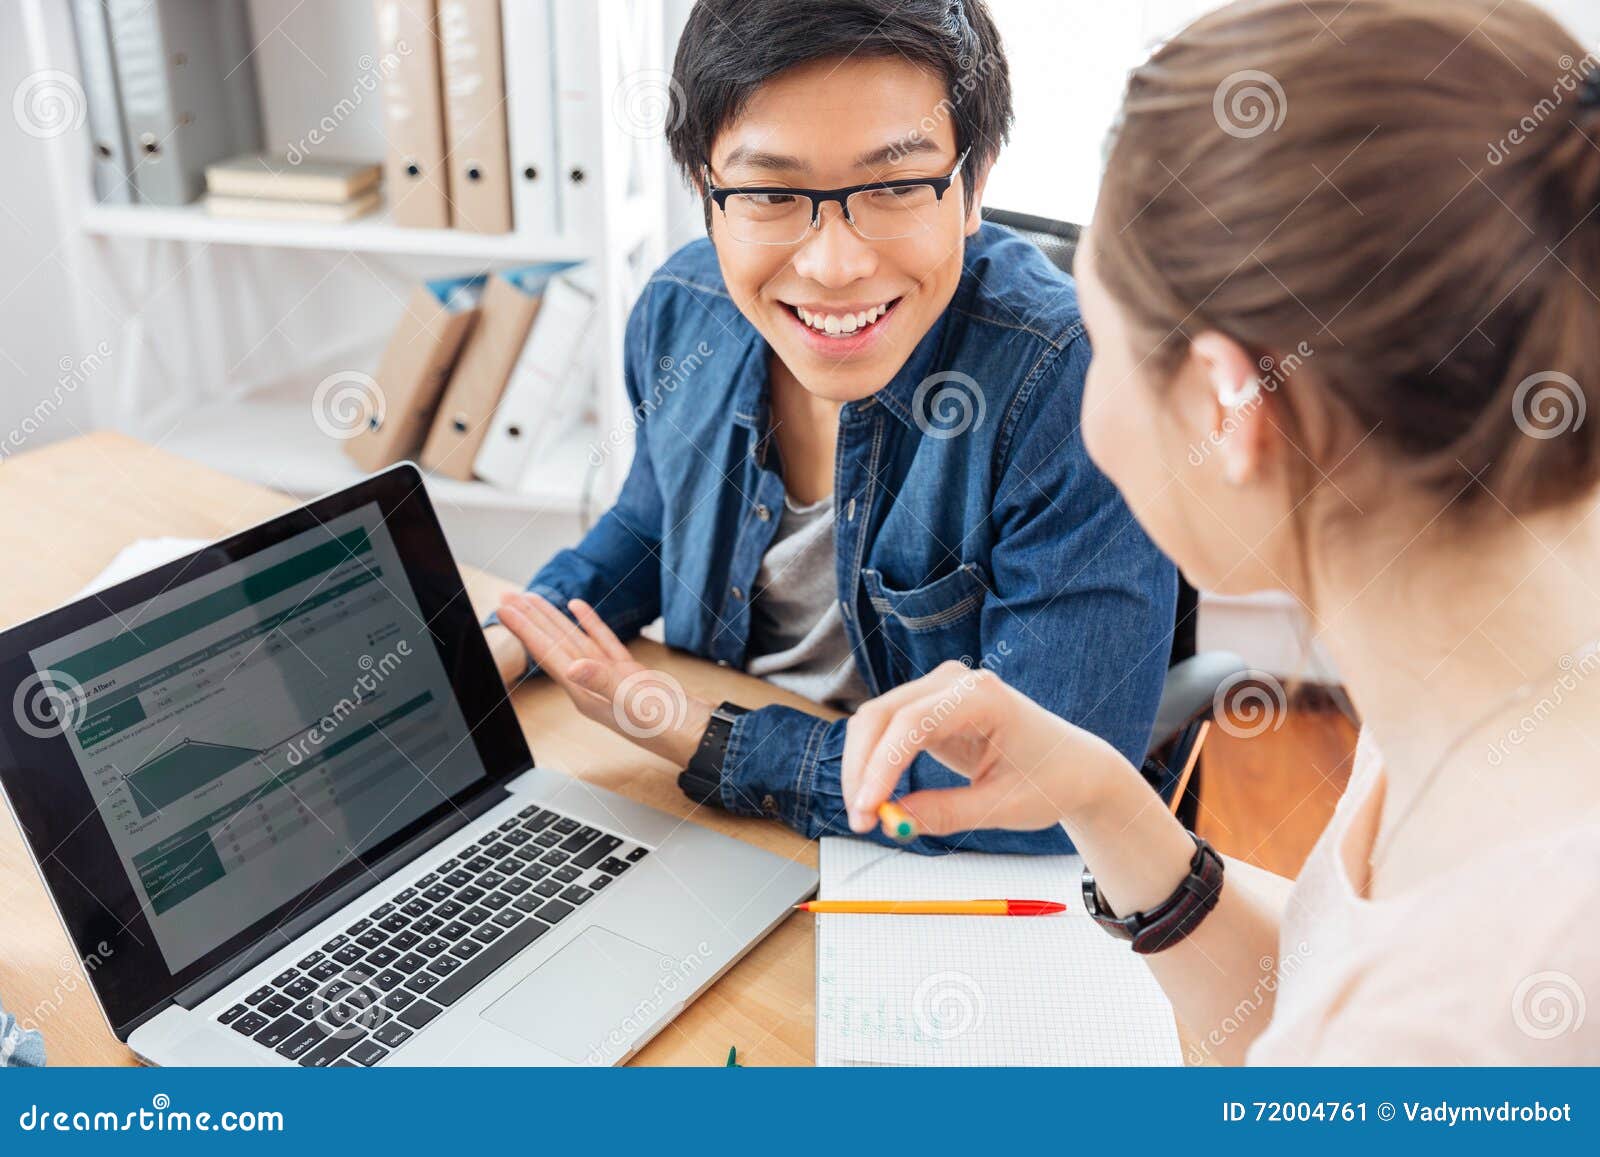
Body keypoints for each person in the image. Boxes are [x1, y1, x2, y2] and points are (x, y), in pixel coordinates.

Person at [844, 0, 1600, 1062]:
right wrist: (1100, 792)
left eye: (1099, 345)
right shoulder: (1484, 667)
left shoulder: (1460, 1025)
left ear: (1225, 407)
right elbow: (1308, 996)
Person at [485, 0, 1176, 853]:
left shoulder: (1070, 382)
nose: (834, 264)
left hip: (930, 865)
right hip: (720, 831)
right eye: (772, 192)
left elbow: (1042, 790)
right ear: (706, 194)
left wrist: (697, 733)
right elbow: (649, 523)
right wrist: (514, 634)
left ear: (975, 182)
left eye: (892, 186)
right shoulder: (682, 310)